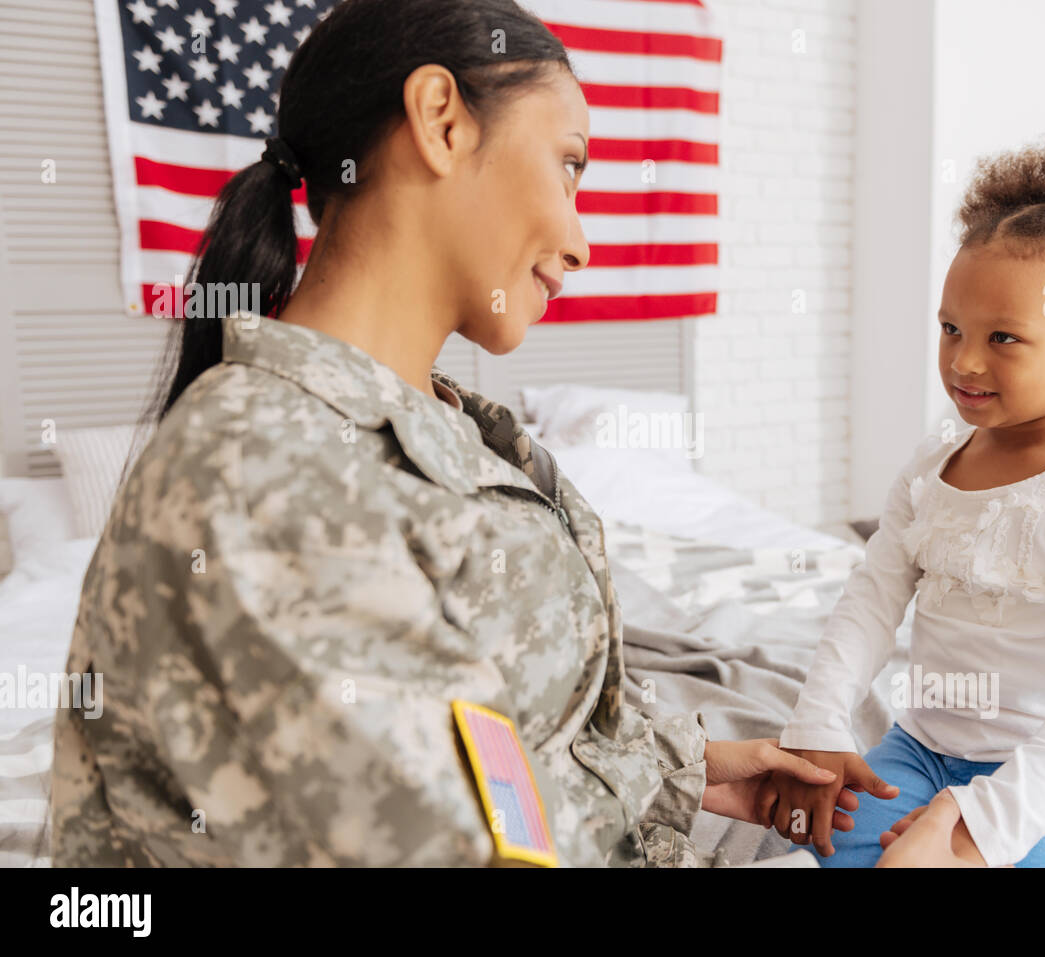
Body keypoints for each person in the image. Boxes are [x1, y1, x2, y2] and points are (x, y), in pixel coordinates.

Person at [49, 0, 871, 867]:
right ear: (441, 121)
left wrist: (679, 767)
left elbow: (485, 737)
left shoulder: (439, 425)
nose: (581, 241)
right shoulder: (266, 473)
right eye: (567, 167)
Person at [760, 136, 1045, 868]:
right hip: (924, 750)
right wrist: (820, 719)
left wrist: (973, 824)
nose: (964, 360)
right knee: (830, 850)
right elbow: (870, 600)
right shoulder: (932, 467)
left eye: (1003, 337)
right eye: (950, 328)